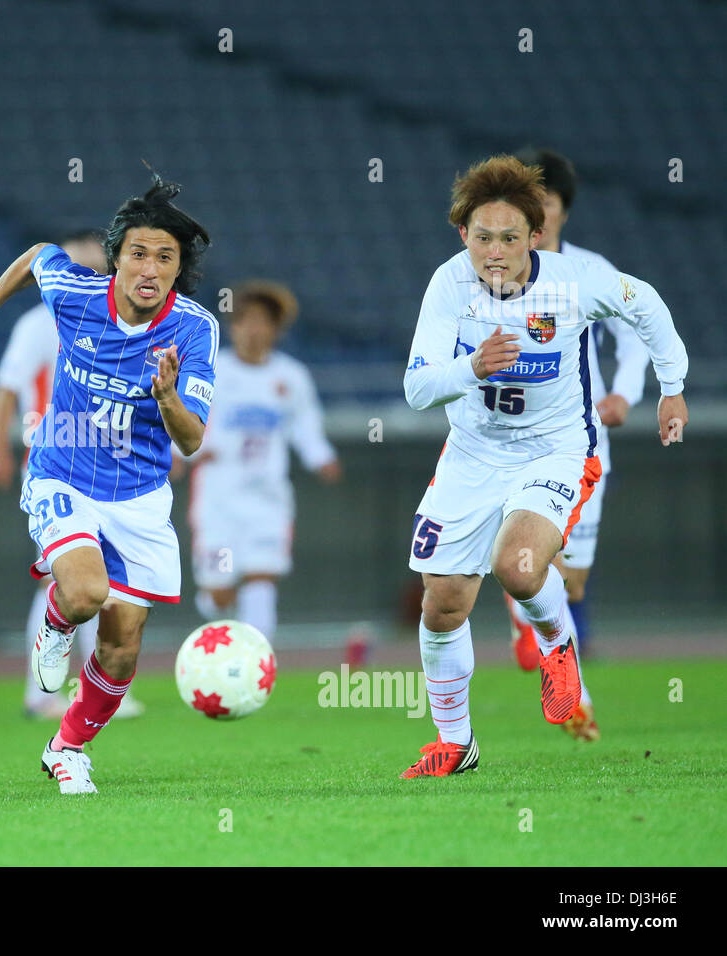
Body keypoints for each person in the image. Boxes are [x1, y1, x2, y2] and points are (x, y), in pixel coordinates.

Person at [400, 155, 688, 779]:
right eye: (483, 238)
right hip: (473, 453)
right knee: (442, 605)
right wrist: (470, 368)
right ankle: (457, 743)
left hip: (554, 448)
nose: (495, 252)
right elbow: (417, 388)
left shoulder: (577, 281)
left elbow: (651, 308)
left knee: (519, 566)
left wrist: (672, 386)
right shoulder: (449, 284)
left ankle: (558, 643)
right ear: (463, 237)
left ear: (536, 236)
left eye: (509, 238)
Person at [0, 174, 217, 794]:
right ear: (116, 257)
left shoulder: (195, 329)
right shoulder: (75, 292)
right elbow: (36, 257)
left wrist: (168, 397)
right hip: (61, 470)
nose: (149, 268)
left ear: (178, 270)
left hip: (142, 494)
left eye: (165, 257)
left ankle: (67, 748)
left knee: (123, 644)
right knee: (83, 594)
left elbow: (192, 437)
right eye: (138, 253)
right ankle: (56, 620)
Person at [497, 147, 650, 743]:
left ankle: (522, 601)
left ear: (560, 211)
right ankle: (574, 693)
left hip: (585, 438)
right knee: (531, 557)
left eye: (549, 204)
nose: (540, 214)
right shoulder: (494, 271)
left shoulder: (588, 271)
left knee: (574, 580)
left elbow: (636, 331)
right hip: (516, 441)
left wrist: (627, 393)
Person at [0, 229, 143, 720]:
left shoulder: (126, 322)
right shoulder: (39, 322)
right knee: (58, 578)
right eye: (82, 266)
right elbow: (7, 386)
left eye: (101, 266)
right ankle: (41, 694)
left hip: (114, 465)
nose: (92, 275)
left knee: (112, 581)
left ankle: (102, 691)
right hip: (60, 462)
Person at [180, 279, 341, 641]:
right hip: (218, 497)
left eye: (263, 322)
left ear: (275, 330)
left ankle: (257, 663)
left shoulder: (291, 377)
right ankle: (218, 612)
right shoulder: (211, 370)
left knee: (261, 575)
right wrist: (178, 453)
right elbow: (184, 419)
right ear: (233, 327)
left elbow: (306, 427)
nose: (254, 329)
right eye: (246, 320)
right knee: (218, 588)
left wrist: (322, 458)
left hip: (268, 497)